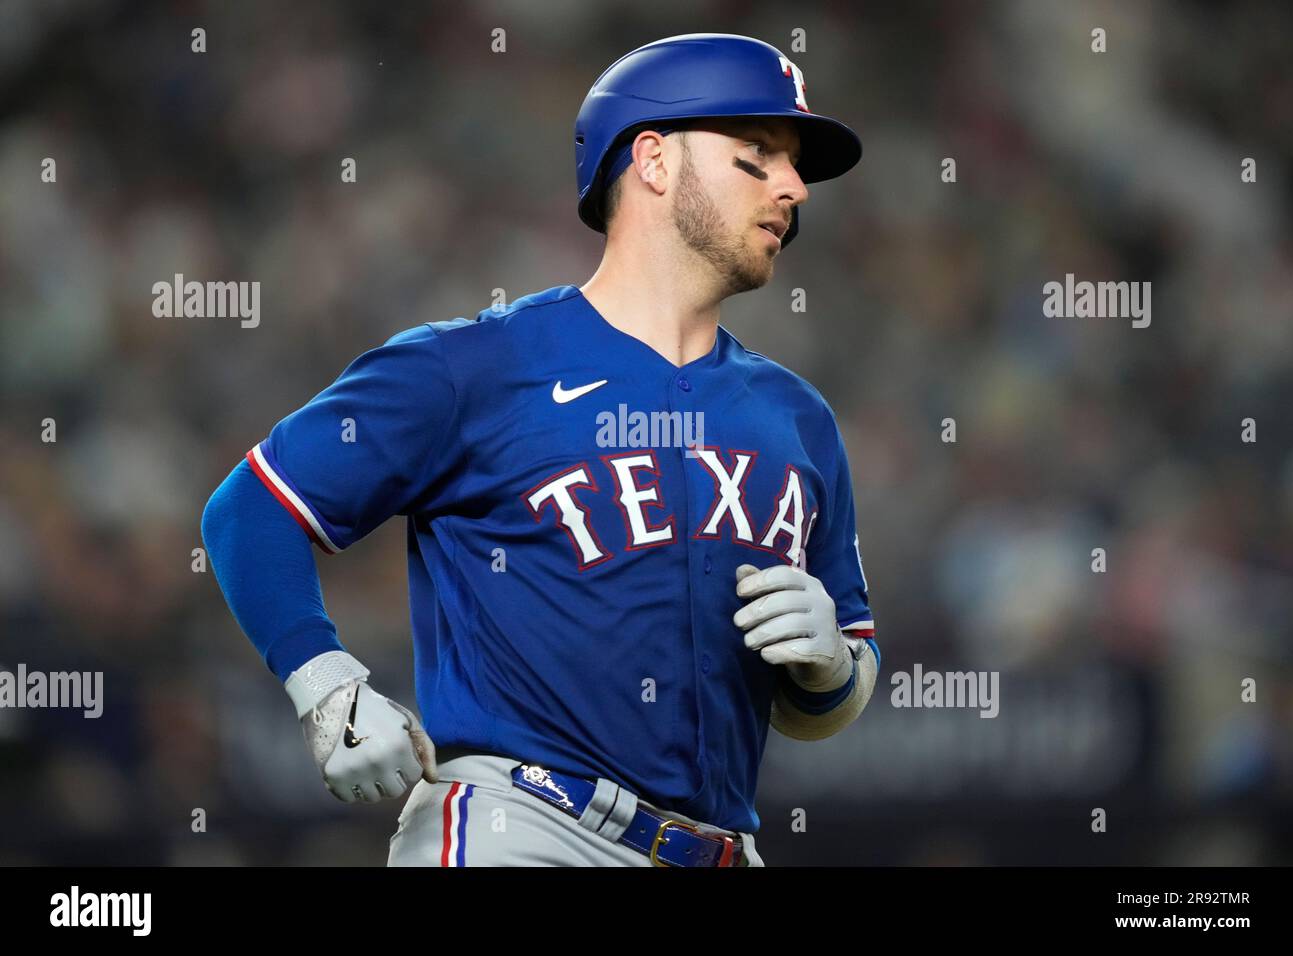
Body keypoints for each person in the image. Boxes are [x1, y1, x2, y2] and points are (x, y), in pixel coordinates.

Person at [202, 33, 879, 868]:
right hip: (521, 829)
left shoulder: (797, 416)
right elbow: (250, 507)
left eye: (794, 162)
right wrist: (324, 681)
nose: (794, 185)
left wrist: (831, 672)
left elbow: (831, 692)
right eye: (758, 154)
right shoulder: (476, 366)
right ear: (655, 161)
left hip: (721, 849)